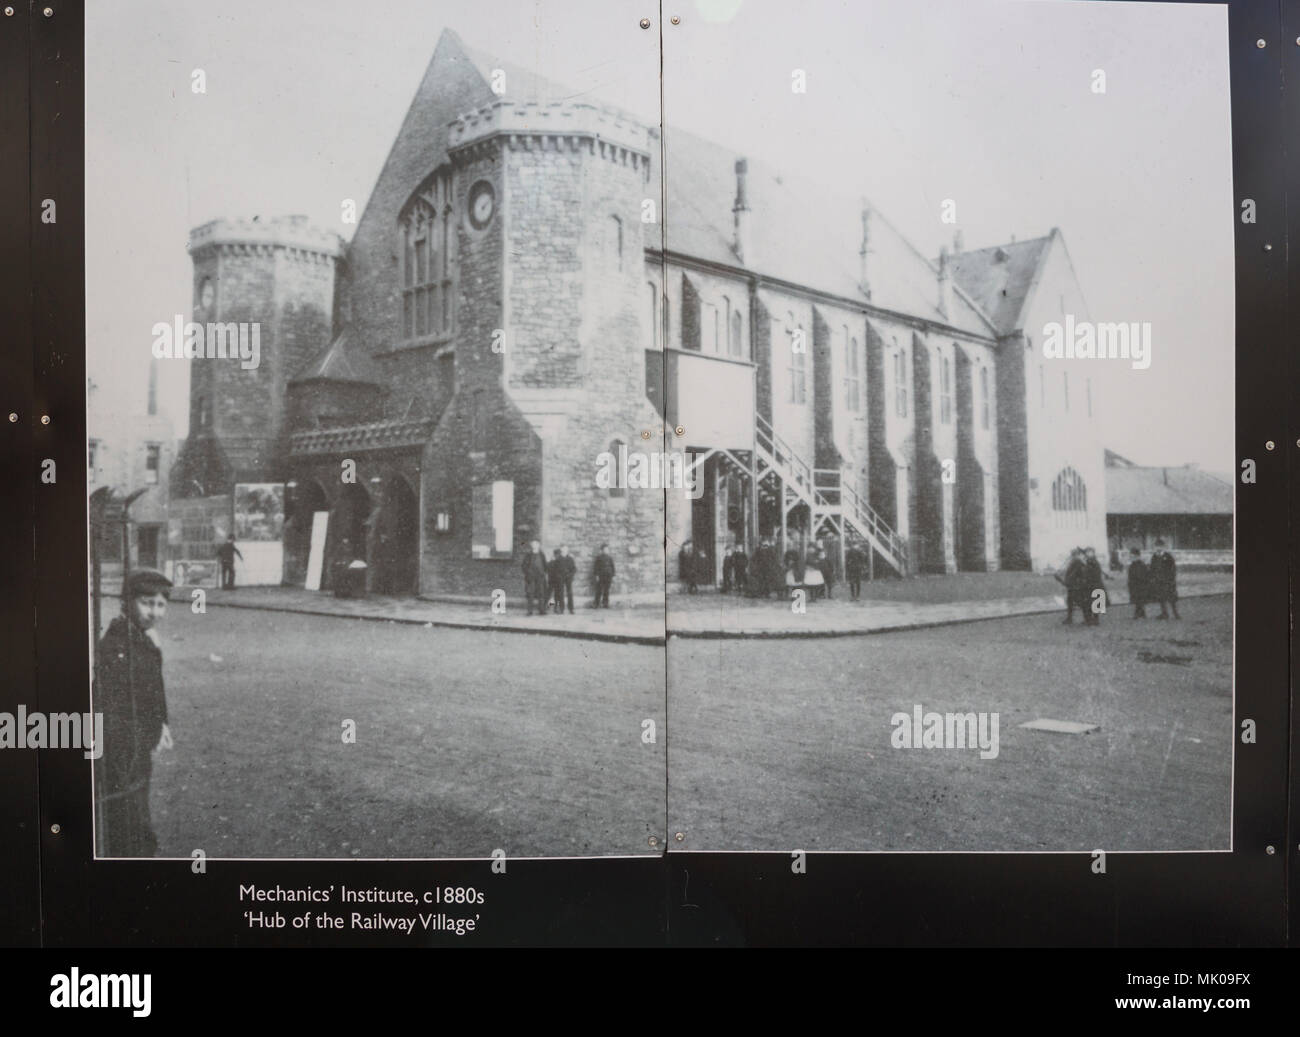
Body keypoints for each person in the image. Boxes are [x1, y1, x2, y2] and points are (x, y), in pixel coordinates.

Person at [95, 568, 174, 857]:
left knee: (137, 820)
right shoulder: (118, 646)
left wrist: (162, 723)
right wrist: (146, 734)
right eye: (147, 603)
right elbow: (113, 707)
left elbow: (154, 687)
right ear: (127, 602)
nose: (154, 612)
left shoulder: (144, 639)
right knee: (130, 826)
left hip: (138, 748)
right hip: (124, 754)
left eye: (161, 604)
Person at [1149, 540, 1180, 619]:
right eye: (1156, 546)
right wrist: (1152, 578)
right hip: (1158, 581)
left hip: (1167, 581)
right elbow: (1152, 568)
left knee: (1171, 597)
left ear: (1163, 547)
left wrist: (1171, 578)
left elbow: (1173, 568)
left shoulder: (1168, 556)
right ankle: (1164, 613)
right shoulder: (1154, 557)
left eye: (1160, 546)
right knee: (1161, 597)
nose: (1158, 548)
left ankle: (1175, 613)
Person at [1055, 547, 1086, 624]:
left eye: (1074, 554)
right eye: (1072, 554)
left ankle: (1087, 618)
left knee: (1079, 602)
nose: (1072, 556)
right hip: (1072, 585)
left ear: (1077, 555)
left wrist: (1064, 581)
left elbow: (1074, 574)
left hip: (1075, 586)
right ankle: (1069, 619)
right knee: (1070, 602)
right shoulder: (1073, 561)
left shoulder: (1077, 562)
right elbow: (1069, 573)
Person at [521, 539, 549, 616]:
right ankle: (530, 611)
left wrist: (543, 573)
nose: (534, 545)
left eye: (536, 544)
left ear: (539, 545)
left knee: (541, 593)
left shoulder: (542, 554)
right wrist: (528, 573)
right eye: (533, 544)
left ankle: (541, 610)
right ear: (531, 545)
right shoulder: (528, 555)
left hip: (540, 577)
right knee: (530, 593)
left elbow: (545, 565)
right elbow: (524, 566)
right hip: (531, 577)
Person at [1081, 547, 1107, 626]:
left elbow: (1093, 573)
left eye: (1090, 552)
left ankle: (1094, 620)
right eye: (1087, 552)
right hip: (1091, 585)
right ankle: (1090, 620)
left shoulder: (1093, 562)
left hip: (1094, 585)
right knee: (1090, 603)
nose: (1088, 554)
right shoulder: (1089, 561)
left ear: (1093, 553)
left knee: (1095, 603)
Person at [1127, 546, 1148, 619]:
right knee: (1137, 600)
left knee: (1140, 599)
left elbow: (1144, 575)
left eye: (1133, 556)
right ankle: (1141, 613)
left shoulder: (1141, 565)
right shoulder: (1132, 565)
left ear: (1137, 556)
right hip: (1134, 585)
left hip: (1140, 585)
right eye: (1131, 556)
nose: (1131, 557)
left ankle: (1139, 613)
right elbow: (1130, 575)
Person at [555, 545, 576, 614]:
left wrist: (571, 575)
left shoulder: (570, 559)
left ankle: (571, 608)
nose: (564, 550)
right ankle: (561, 608)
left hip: (568, 578)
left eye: (566, 549)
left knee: (569, 593)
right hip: (560, 578)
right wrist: (558, 576)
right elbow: (555, 569)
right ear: (561, 550)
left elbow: (574, 569)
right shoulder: (558, 559)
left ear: (567, 550)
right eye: (563, 549)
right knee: (560, 593)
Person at [593, 543, 615, 608]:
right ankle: (596, 604)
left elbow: (612, 567)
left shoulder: (610, 558)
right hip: (601, 576)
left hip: (608, 575)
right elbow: (595, 567)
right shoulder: (599, 558)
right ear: (602, 550)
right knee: (599, 590)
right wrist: (596, 575)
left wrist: (613, 575)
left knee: (606, 590)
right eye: (605, 549)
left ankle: (605, 603)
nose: (606, 550)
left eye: (607, 549)